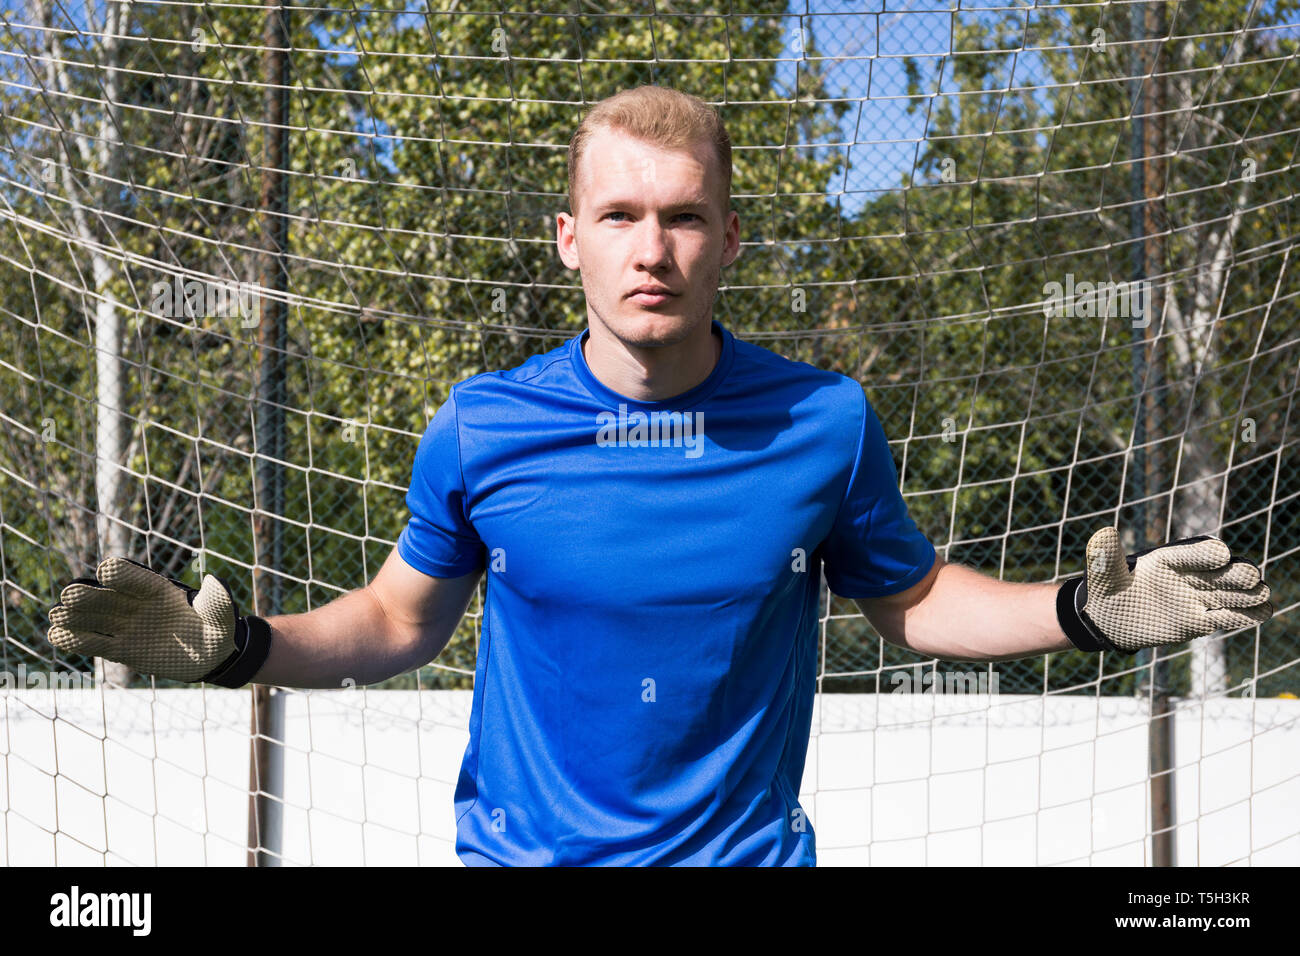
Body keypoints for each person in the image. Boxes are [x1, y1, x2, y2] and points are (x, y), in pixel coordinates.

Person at [46, 85, 1274, 866]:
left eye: (683, 216)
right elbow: (392, 621)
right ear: (570, 238)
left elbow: (910, 599)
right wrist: (237, 648)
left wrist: (1082, 611)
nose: (653, 249)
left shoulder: (823, 420)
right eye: (621, 215)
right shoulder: (482, 426)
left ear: (728, 237)